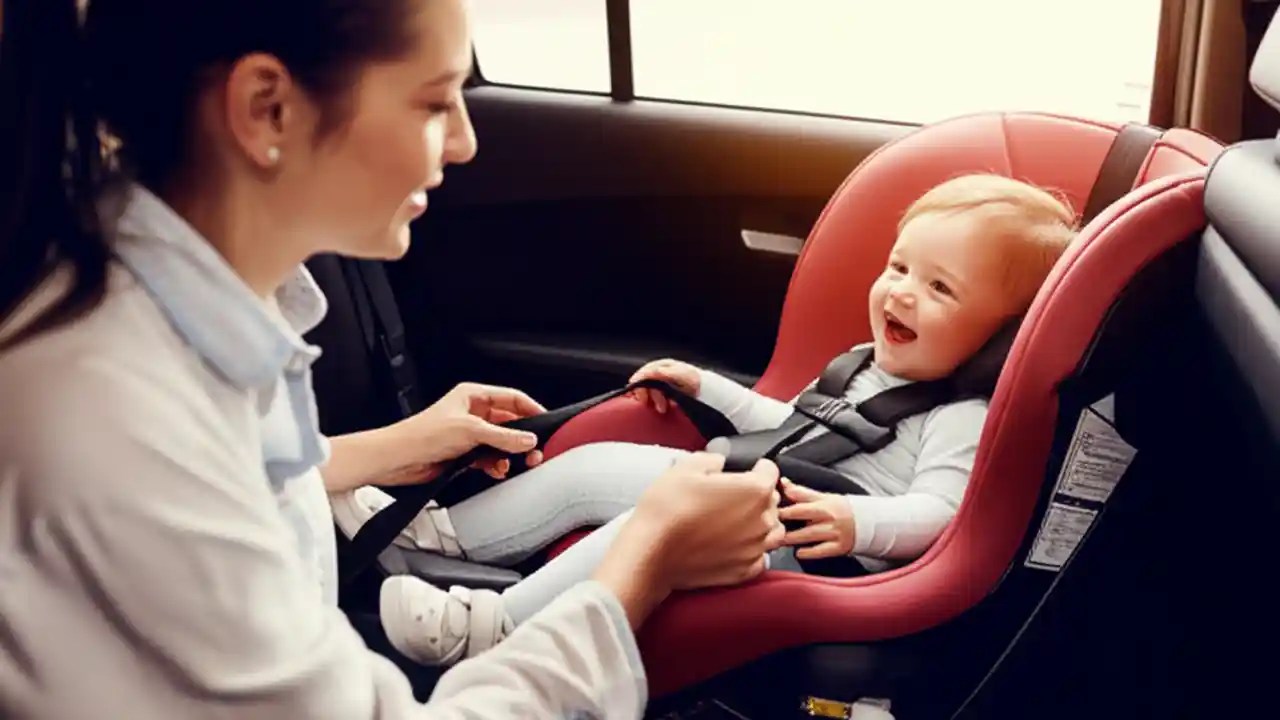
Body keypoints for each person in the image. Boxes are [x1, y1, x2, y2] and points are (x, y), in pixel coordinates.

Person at [0, 1, 785, 718]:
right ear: (266, 107)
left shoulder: (197, 299)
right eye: (435, 101)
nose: (466, 141)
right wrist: (645, 561)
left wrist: (390, 449)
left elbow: (237, 482)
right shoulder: (113, 420)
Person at [332, 173, 1079, 666]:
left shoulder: (962, 415)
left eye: (940, 288)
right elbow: (789, 423)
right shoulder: (864, 363)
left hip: (817, 551)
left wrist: (856, 524)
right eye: (899, 267)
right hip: (759, 489)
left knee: (658, 521)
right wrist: (708, 387)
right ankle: (434, 533)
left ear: (1000, 337)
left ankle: (493, 627)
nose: (901, 293)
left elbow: (944, 513)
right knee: (594, 469)